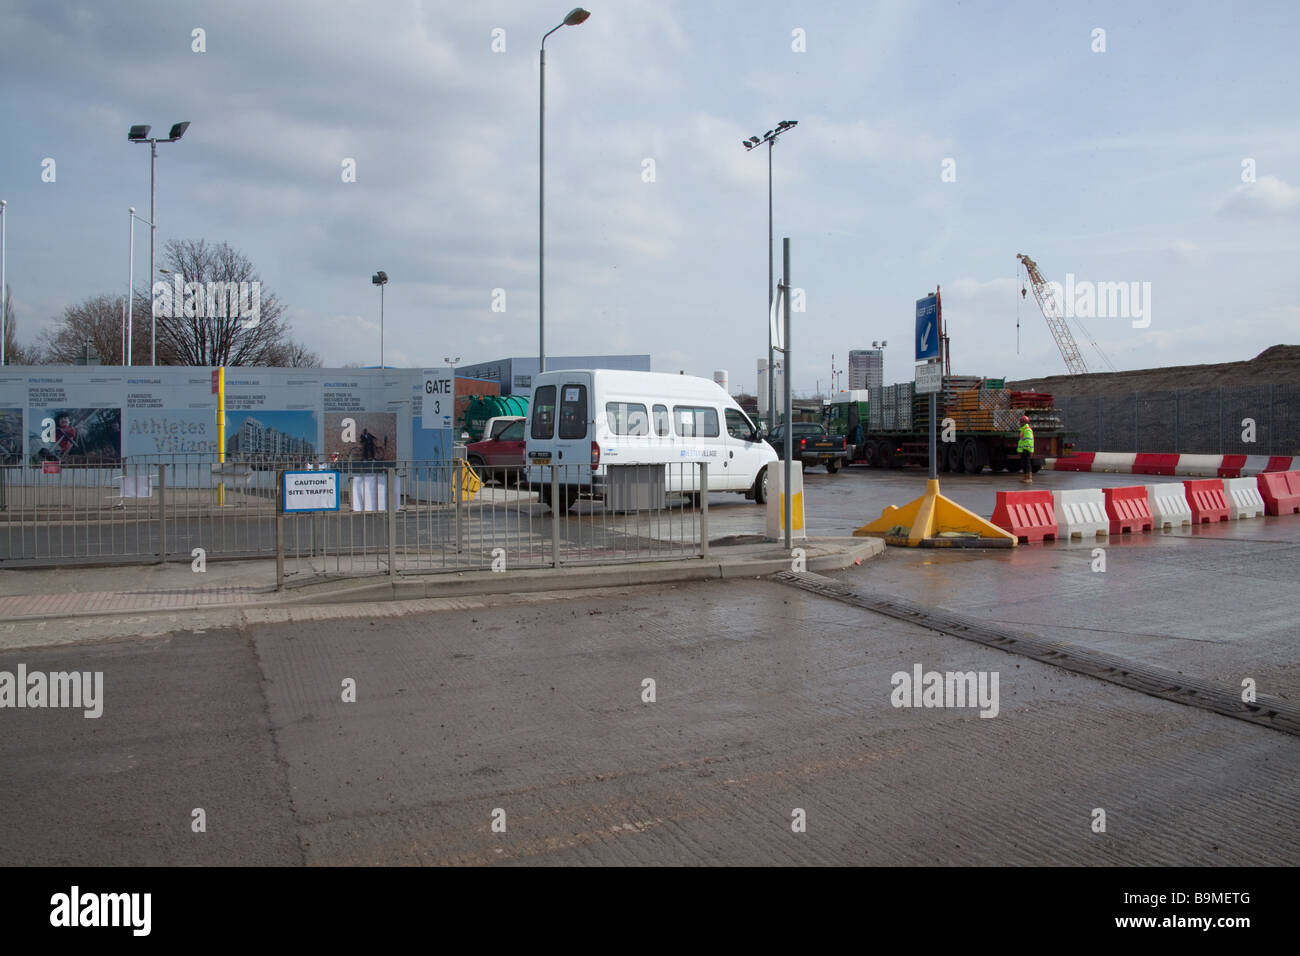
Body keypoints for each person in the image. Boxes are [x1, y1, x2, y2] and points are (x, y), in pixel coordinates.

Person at [1017, 414, 1035, 483]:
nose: (1020, 423)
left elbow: (1028, 441)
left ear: (1024, 423)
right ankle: (1025, 478)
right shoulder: (1023, 430)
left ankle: (1029, 478)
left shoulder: (1027, 430)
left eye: (1021, 422)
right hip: (1023, 450)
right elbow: (1022, 441)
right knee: (1024, 464)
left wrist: (1025, 449)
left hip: (1026, 450)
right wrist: (1020, 450)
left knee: (1027, 464)